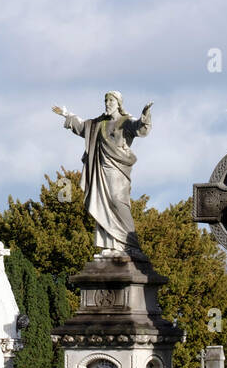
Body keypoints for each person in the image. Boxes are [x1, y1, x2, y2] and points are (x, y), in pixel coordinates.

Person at [53, 92, 153, 252]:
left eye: (111, 100)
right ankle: (111, 245)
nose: (107, 103)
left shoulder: (125, 121)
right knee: (103, 203)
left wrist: (145, 115)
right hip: (100, 170)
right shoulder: (99, 123)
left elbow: (140, 129)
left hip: (118, 170)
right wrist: (66, 114)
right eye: (105, 100)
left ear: (118, 103)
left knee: (118, 202)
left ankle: (131, 244)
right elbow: (82, 127)